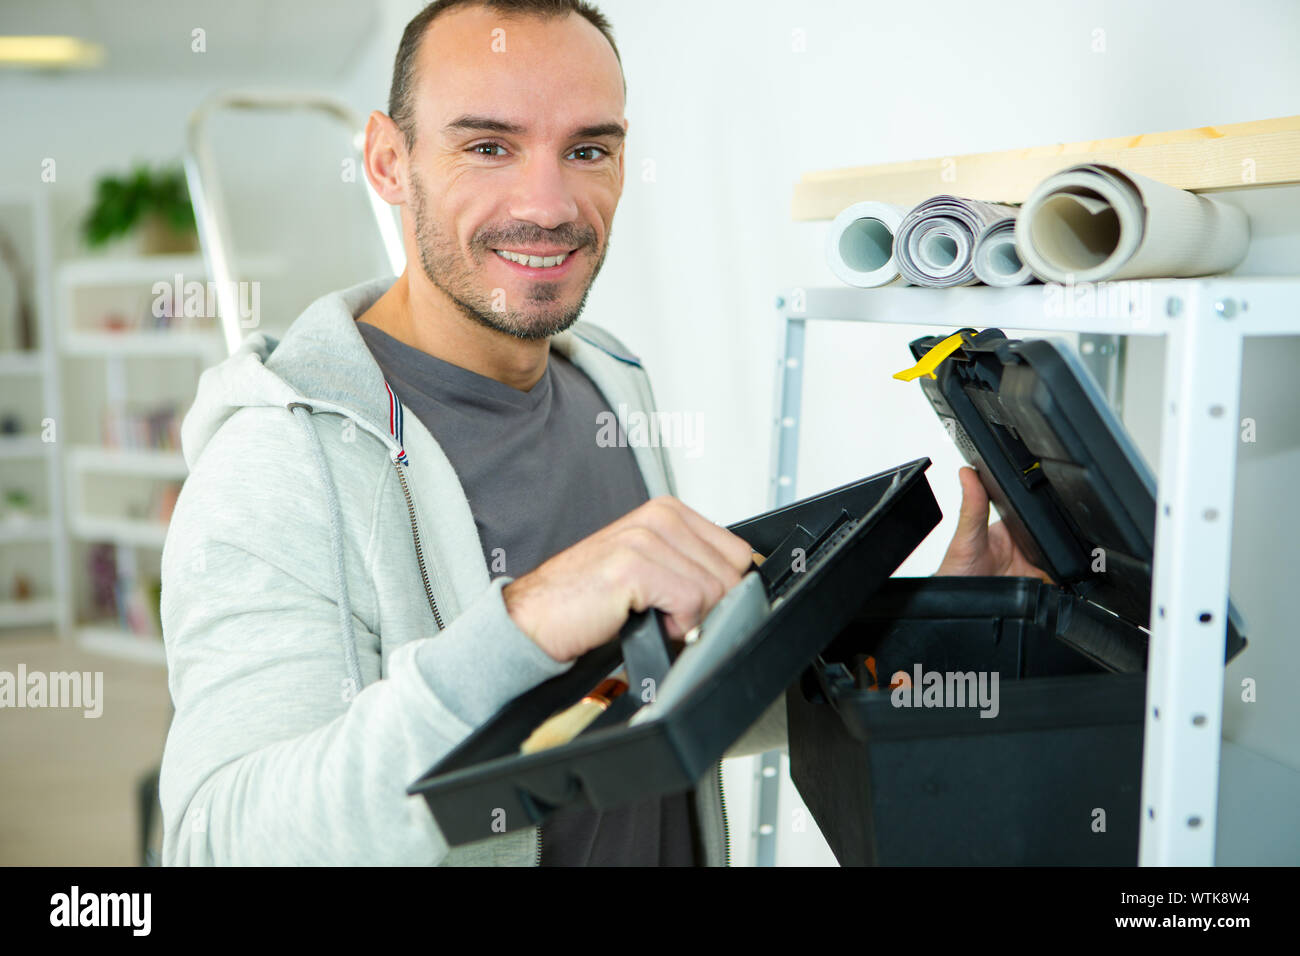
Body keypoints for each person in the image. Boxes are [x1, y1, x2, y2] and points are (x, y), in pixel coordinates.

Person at [158, 0, 1049, 866]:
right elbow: (218, 841)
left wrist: (936, 622)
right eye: (488, 147)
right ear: (390, 163)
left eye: (587, 149)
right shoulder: (278, 460)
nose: (547, 204)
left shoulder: (608, 382)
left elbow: (650, 704)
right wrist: (523, 623)